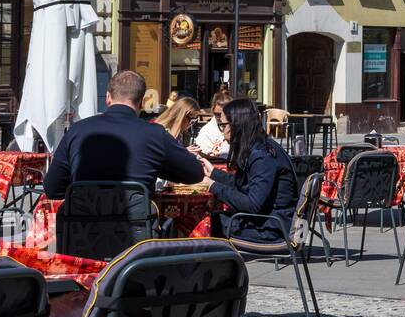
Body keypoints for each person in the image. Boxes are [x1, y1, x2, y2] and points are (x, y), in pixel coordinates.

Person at [43, 70, 205, 199]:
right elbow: (195, 174)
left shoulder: (77, 130)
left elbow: (52, 189)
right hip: (138, 234)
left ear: (108, 97)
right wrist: (158, 167)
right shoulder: (155, 134)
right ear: (142, 102)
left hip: (83, 231)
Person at [199, 98, 299, 246]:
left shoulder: (261, 156)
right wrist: (214, 173)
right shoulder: (260, 147)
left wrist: (213, 185)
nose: (222, 130)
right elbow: (244, 184)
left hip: (273, 228)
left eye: (223, 125)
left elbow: (252, 204)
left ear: (236, 125)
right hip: (271, 220)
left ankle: (199, 266)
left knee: (205, 222)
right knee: (212, 218)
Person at [194, 90, 232, 159]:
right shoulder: (206, 131)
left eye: (226, 114)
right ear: (212, 111)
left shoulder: (239, 127)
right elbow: (200, 156)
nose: (221, 117)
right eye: (218, 114)